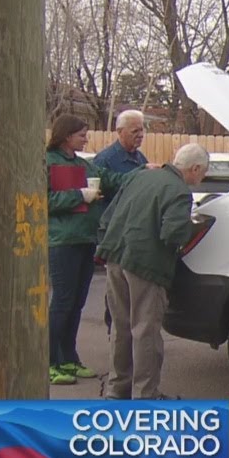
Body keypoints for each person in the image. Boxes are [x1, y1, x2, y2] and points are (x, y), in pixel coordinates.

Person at [97, 143, 209, 400]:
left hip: (115, 256)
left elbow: (108, 217)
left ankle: (117, 389)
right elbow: (173, 234)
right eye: (203, 173)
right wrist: (194, 228)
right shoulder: (179, 191)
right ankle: (146, 394)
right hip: (146, 265)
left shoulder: (140, 176)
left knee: (121, 327)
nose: (201, 179)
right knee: (145, 330)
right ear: (194, 168)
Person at [45, 114, 139, 386]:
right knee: (62, 301)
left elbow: (110, 178)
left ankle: (69, 358)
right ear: (66, 136)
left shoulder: (82, 164)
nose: (86, 139)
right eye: (81, 135)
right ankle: (50, 361)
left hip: (86, 239)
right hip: (62, 241)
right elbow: (44, 199)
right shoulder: (48, 162)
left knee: (77, 302)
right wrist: (79, 195)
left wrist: (142, 172)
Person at [89, 109, 149, 335]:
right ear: (120, 132)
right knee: (116, 287)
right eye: (135, 131)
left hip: (134, 232)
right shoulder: (105, 160)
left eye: (142, 130)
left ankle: (127, 332)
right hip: (114, 233)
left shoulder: (140, 159)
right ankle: (114, 331)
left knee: (131, 286)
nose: (140, 135)